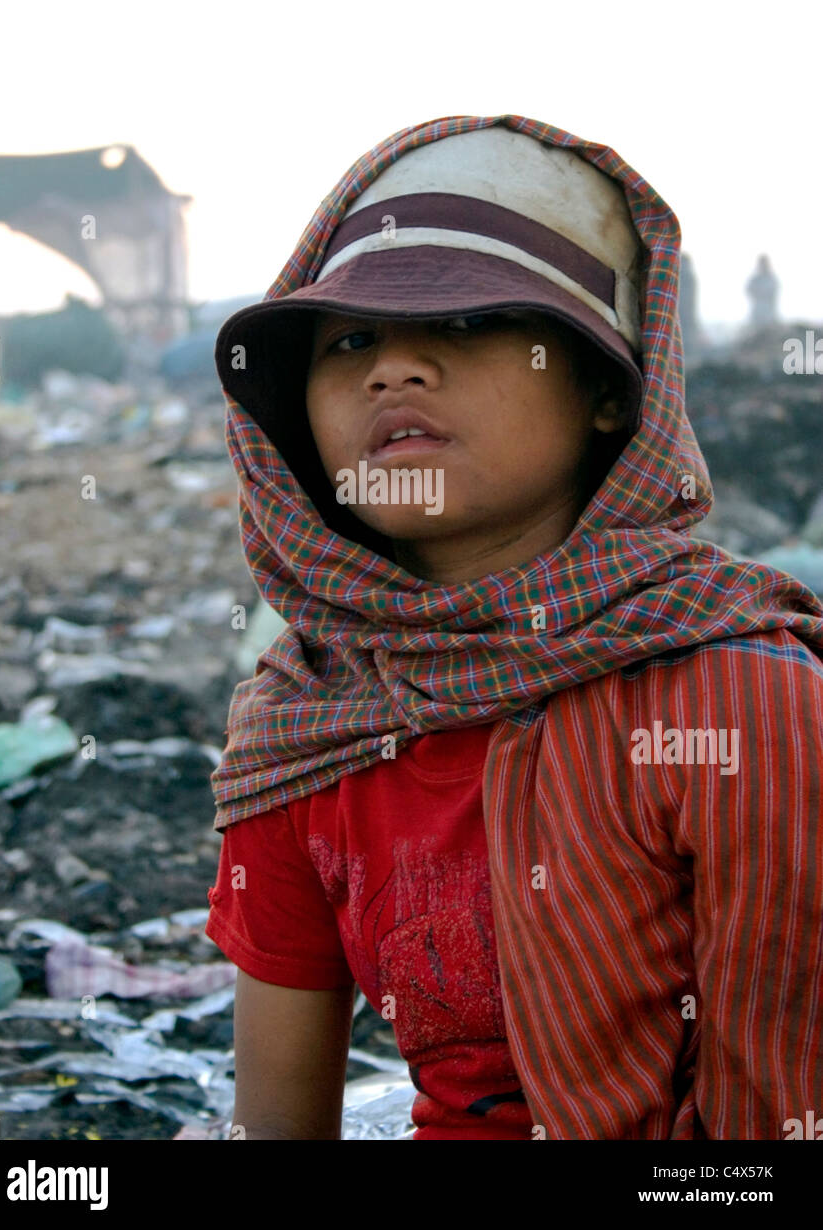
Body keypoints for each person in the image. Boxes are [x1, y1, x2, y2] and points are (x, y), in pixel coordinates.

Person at [204, 116, 823, 1140]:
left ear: (602, 391)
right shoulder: (303, 723)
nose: (390, 370)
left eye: (462, 323)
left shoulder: (744, 707)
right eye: (348, 341)